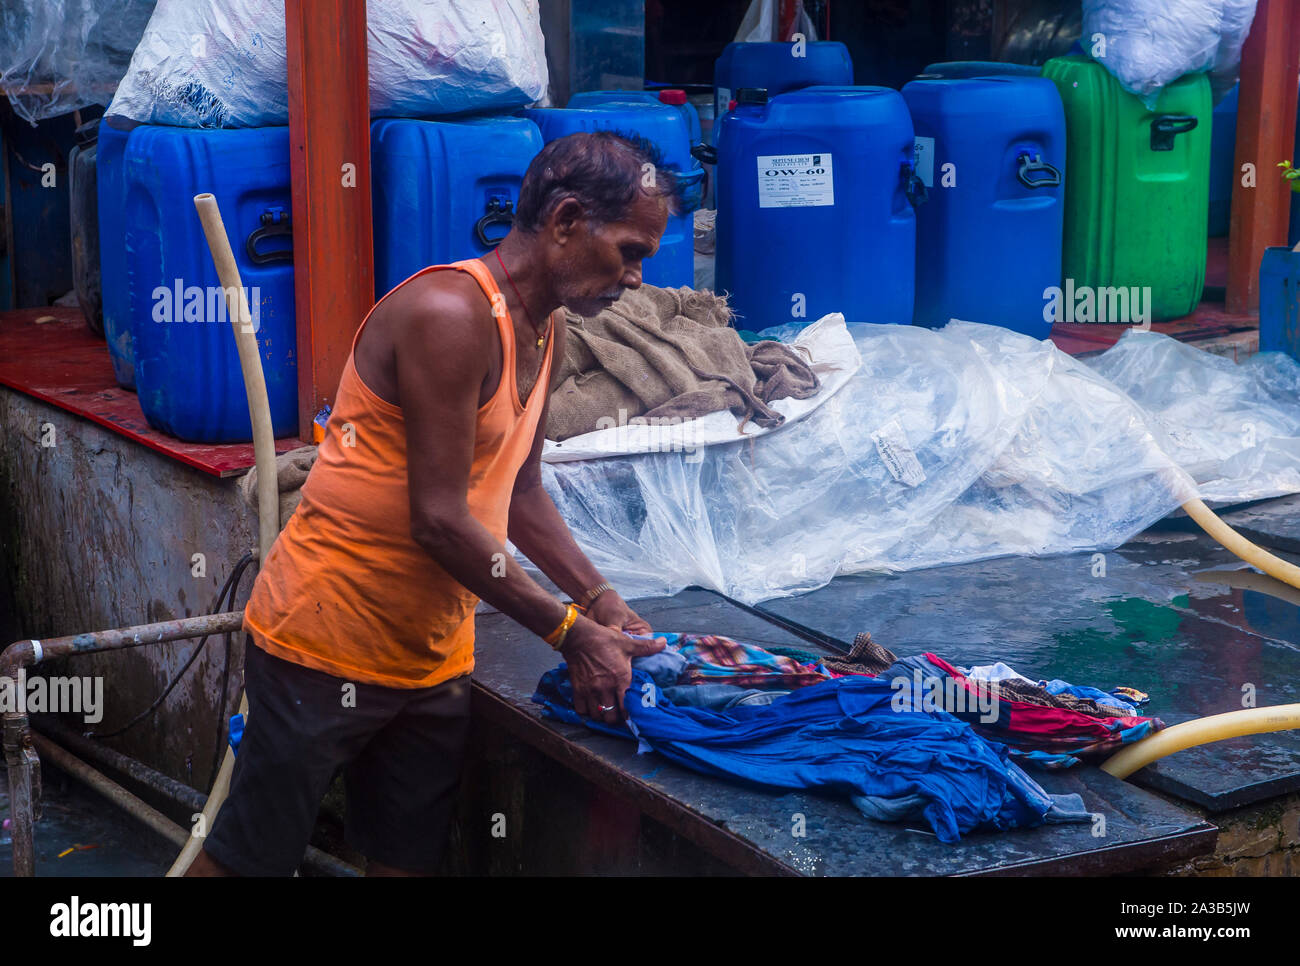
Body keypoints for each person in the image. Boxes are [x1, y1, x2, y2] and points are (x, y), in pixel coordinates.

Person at [189, 132, 676, 876]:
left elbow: (520, 490)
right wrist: (572, 632)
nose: (637, 279)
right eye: (629, 251)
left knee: (405, 862)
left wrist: (603, 599)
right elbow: (439, 519)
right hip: (323, 643)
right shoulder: (451, 314)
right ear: (567, 221)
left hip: (431, 658)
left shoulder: (547, 326)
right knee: (246, 864)